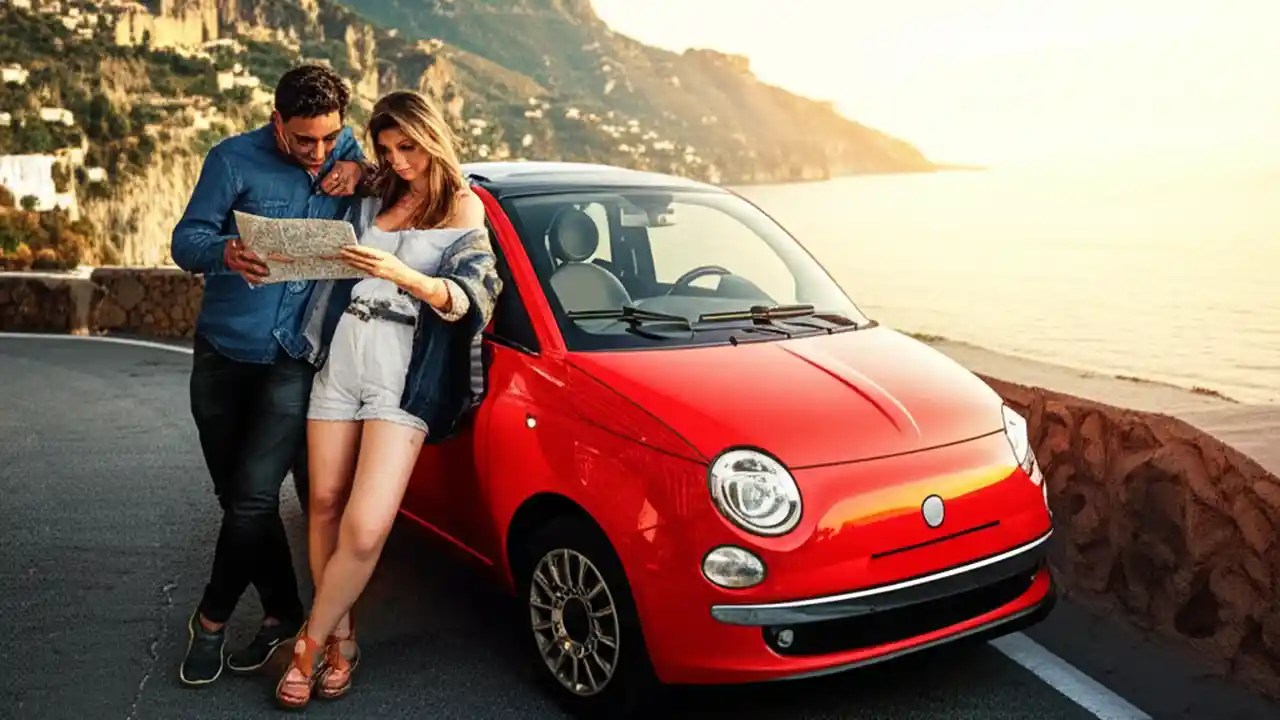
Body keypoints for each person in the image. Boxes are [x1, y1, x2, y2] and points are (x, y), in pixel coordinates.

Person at [274, 89, 502, 708]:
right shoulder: (375, 189)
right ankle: (343, 637)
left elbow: (473, 297)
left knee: (367, 527)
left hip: (403, 369)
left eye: (408, 147)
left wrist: (404, 275)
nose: (399, 161)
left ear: (432, 137)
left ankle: (309, 640)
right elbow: (330, 158)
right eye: (387, 149)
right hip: (344, 354)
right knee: (321, 501)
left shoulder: (464, 206)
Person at [170, 63, 375, 687]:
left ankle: (209, 621)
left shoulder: (349, 154)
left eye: (329, 138)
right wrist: (224, 252)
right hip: (222, 355)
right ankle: (283, 611)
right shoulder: (231, 160)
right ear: (275, 121)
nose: (318, 153)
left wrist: (364, 172)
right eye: (303, 140)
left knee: (256, 496)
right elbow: (186, 240)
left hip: (294, 358)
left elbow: (415, 177)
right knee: (237, 500)